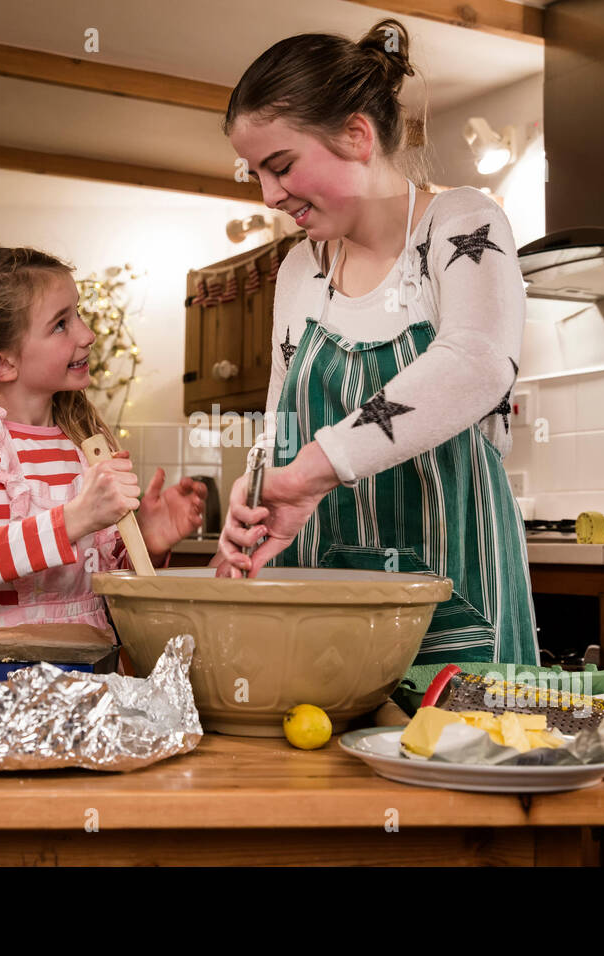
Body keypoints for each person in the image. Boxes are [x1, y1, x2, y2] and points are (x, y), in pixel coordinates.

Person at [213, 19, 539, 676]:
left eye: (281, 166)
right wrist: (252, 496)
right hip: (325, 599)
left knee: (461, 759)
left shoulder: (462, 224)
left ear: (357, 135)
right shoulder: (301, 270)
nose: (270, 195)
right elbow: (280, 423)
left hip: (454, 593)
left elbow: (477, 361)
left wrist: (313, 468)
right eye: (257, 174)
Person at [0, 243, 206, 642]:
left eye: (78, 314)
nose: (87, 334)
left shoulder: (85, 436)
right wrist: (73, 519)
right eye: (61, 324)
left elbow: (103, 579)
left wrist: (146, 540)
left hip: (92, 666)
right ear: (4, 363)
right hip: (0, 672)